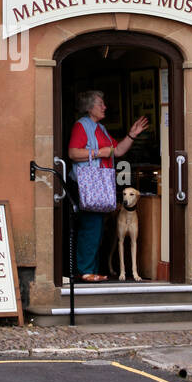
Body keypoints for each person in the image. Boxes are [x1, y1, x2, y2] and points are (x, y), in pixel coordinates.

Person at [67, 90, 148, 281]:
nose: (105, 107)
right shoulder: (81, 126)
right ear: (89, 107)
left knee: (97, 227)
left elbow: (117, 151)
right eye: (100, 104)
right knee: (90, 225)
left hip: (99, 184)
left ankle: (91, 270)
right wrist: (98, 153)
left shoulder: (100, 128)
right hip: (87, 184)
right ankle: (84, 271)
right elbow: (72, 153)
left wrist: (132, 135)